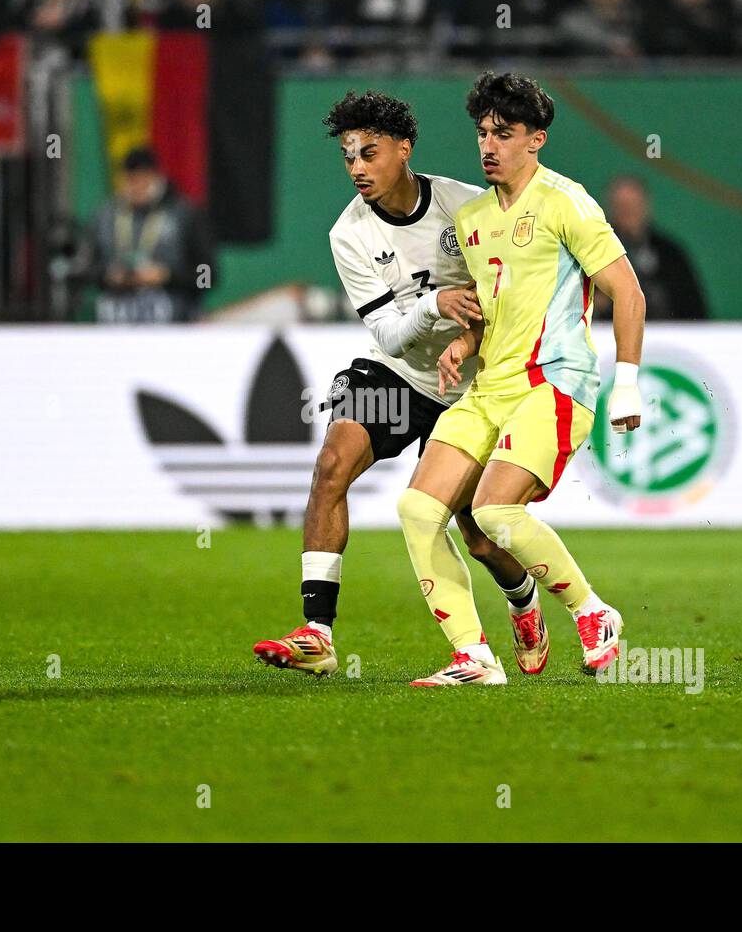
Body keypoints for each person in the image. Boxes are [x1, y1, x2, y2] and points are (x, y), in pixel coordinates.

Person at [252, 91, 543, 680]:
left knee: (478, 533)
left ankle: (523, 601)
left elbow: (514, 287)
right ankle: (318, 632)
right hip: (400, 374)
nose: (357, 166)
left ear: (404, 149)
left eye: (369, 152)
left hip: (471, 387)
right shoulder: (349, 234)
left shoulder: (464, 205)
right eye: (347, 156)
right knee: (333, 463)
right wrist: (436, 303)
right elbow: (388, 335)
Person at [398, 72, 646, 686]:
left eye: (503, 134)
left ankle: (593, 612)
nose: (488, 145)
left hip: (553, 384)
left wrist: (628, 381)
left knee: (495, 512)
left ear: (536, 140)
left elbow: (627, 291)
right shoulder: (474, 219)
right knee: (418, 508)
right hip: (489, 389)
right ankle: (473, 657)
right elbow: (492, 304)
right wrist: (465, 341)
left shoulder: (566, 202)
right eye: (482, 132)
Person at [90, 147, 215, 323]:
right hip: (116, 320)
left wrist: (167, 276)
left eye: (143, 181)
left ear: (156, 178)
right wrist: (107, 276)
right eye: (130, 181)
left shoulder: (186, 215)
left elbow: (209, 277)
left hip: (172, 320)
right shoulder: (105, 217)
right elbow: (86, 269)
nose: (136, 188)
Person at [596, 174, 706, 321]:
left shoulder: (670, 253)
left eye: (633, 206)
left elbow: (694, 310)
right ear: (610, 209)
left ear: (645, 206)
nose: (628, 213)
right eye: (622, 206)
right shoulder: (596, 252)